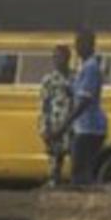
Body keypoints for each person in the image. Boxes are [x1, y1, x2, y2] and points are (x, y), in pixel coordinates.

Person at [67, 28, 108, 185]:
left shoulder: (90, 67)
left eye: (80, 43)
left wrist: (65, 124)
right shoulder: (83, 67)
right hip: (84, 126)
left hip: (89, 127)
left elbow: (84, 101)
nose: (77, 48)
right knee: (81, 171)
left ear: (90, 45)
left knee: (80, 172)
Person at [39, 45, 74, 187]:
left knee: (75, 157)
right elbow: (44, 105)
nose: (56, 60)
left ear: (67, 58)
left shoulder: (75, 77)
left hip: (73, 123)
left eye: (60, 57)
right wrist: (44, 127)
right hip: (55, 123)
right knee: (55, 158)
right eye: (54, 57)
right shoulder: (49, 80)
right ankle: (54, 185)